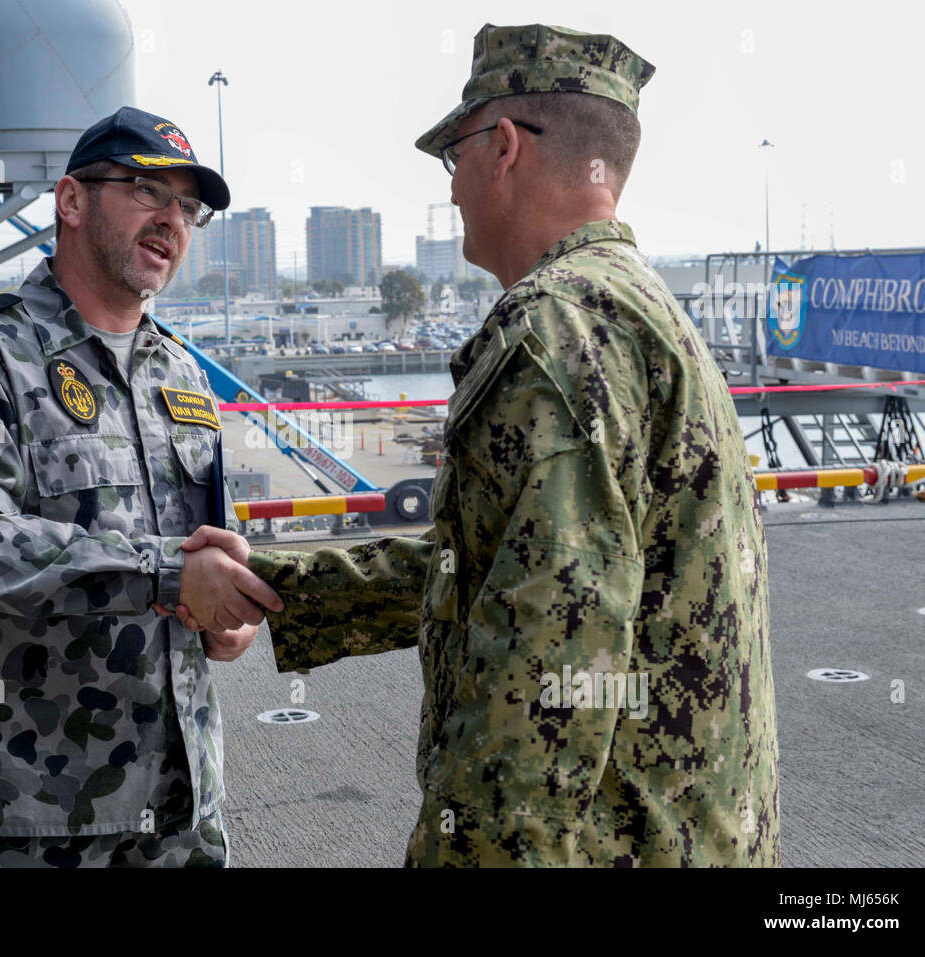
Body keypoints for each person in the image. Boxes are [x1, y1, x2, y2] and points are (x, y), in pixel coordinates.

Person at [181, 24, 779, 866]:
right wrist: (279, 586)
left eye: (453, 155)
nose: (453, 188)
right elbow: (495, 563)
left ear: (502, 147)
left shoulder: (551, 330)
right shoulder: (641, 309)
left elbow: (545, 666)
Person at [0, 106, 281, 868]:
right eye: (147, 190)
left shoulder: (179, 372)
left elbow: (209, 542)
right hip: (35, 821)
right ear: (72, 201)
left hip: (183, 815)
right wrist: (170, 577)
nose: (173, 219)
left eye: (189, 207)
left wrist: (229, 614)